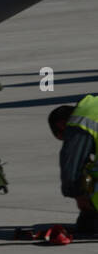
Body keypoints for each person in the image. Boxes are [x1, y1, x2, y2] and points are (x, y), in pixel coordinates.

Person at [48, 98, 98, 238]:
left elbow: (71, 166)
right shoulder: (94, 107)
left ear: (62, 125)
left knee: (89, 177)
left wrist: (79, 196)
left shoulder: (81, 121)